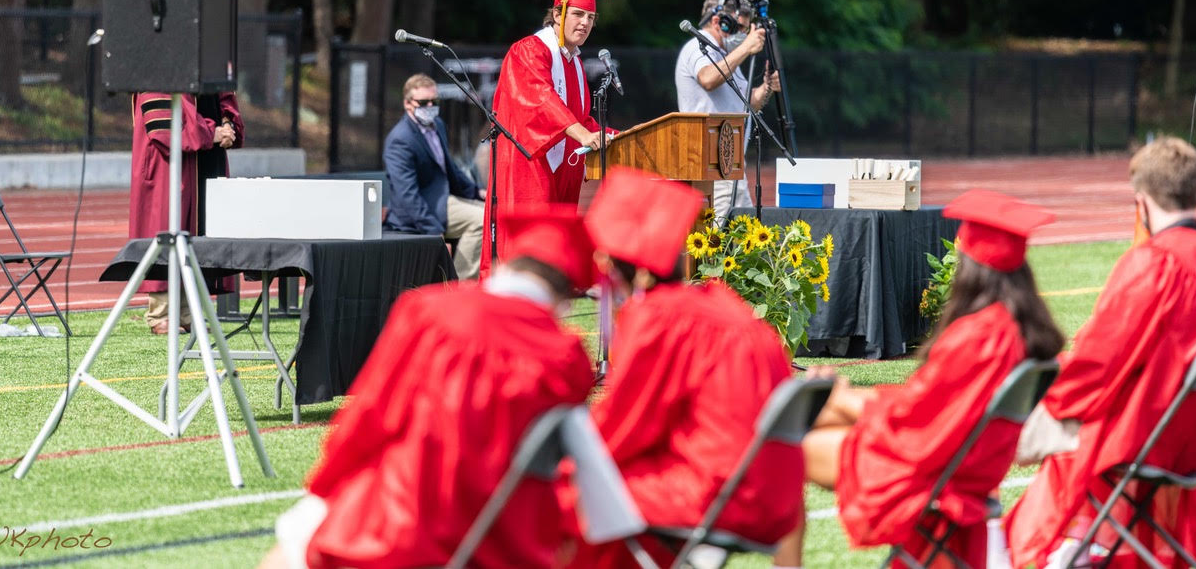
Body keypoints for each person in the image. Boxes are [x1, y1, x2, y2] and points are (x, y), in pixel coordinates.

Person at [258, 204, 597, 569]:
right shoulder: (568, 354)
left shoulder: (430, 310)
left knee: (292, 545)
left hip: (410, 512)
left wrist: (329, 482)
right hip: (506, 535)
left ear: (505, 266)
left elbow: (374, 411)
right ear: (564, 297)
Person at [796, 189, 1063, 567]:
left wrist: (839, 396)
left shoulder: (977, 336)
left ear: (968, 266)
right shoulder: (1014, 330)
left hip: (933, 473)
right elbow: (932, 404)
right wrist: (840, 400)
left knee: (788, 446)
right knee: (808, 416)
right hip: (970, 467)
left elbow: (915, 419)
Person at [1005, 136, 1196, 569]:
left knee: (1016, 426)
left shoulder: (1151, 264)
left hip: (1139, 437)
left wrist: (1053, 401)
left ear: (1141, 201)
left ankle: (1055, 545)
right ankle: (1086, 543)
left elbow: (1098, 361)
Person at [563, 166, 804, 568]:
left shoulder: (662, 320)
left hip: (721, 496)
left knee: (572, 492)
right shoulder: (721, 303)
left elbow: (624, 427)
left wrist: (564, 461)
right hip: (775, 493)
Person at [480, 0, 609, 277]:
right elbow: (541, 99)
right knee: (530, 243)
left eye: (591, 17)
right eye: (578, 14)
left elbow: (579, 116)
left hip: (561, 164)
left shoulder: (574, 61)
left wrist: (613, 135)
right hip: (530, 160)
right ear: (557, 14)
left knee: (554, 246)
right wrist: (583, 134)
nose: (585, 23)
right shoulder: (529, 51)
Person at [128, 91, 242, 335]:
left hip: (206, 158)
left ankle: (188, 311)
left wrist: (227, 124)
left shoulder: (209, 59)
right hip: (167, 163)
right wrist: (211, 133)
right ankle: (160, 313)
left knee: (198, 228)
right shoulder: (159, 64)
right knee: (167, 225)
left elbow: (222, 96)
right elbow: (163, 124)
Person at [674, 0, 780, 224]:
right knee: (717, 241)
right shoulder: (698, 46)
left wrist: (767, 87)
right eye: (739, 27)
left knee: (744, 239)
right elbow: (708, 79)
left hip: (730, 163)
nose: (743, 34)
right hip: (709, 164)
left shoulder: (725, 55)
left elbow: (748, 102)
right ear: (717, 21)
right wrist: (746, 48)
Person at [383, 73, 486, 279]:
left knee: (492, 212)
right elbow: (406, 193)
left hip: (443, 199)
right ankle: (460, 290)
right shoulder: (400, 140)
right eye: (423, 102)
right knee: (481, 220)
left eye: (434, 101)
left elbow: (450, 169)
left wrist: (476, 192)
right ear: (408, 104)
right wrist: (430, 225)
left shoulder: (437, 125)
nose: (430, 106)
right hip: (421, 210)